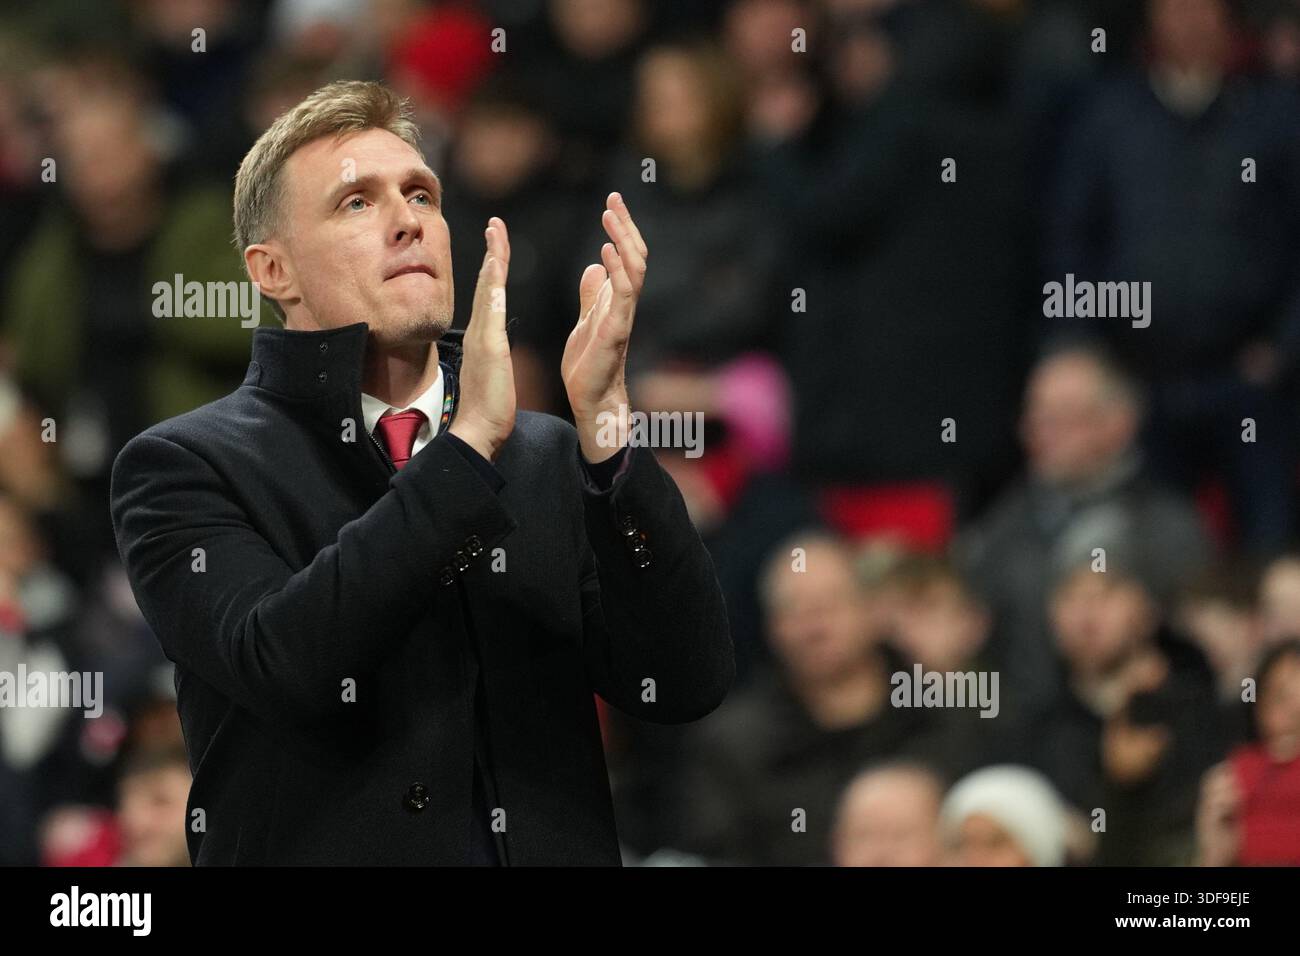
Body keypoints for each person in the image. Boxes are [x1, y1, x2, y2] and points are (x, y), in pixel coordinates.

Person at [109, 80, 734, 865]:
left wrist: (607, 431)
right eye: (357, 204)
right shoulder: (183, 466)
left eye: (421, 194)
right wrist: (465, 448)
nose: (407, 219)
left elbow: (682, 683)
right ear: (272, 271)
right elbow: (288, 663)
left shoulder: (547, 455)